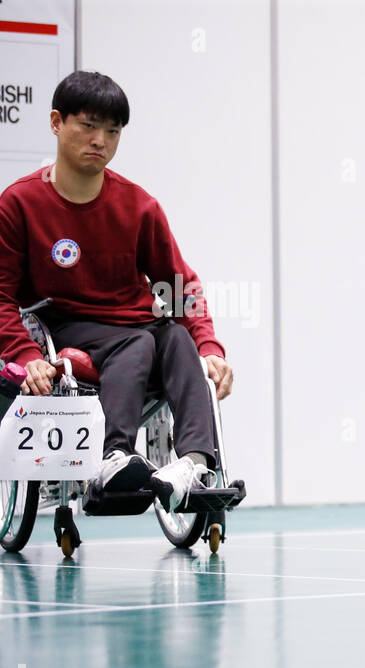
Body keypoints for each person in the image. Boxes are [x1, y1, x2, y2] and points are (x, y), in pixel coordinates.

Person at [0, 71, 233, 511]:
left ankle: (194, 464)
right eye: (88, 126)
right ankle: (114, 457)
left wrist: (210, 346)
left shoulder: (139, 206)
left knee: (178, 339)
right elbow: (0, 295)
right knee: (139, 341)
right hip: (68, 324)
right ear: (55, 122)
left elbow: (179, 283)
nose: (100, 141)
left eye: (112, 131)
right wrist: (25, 355)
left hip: (135, 323)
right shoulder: (20, 203)